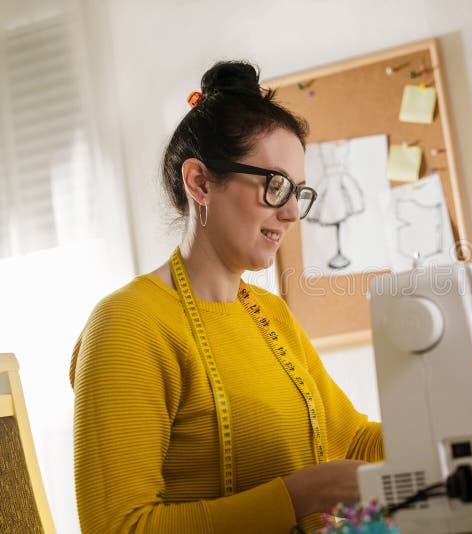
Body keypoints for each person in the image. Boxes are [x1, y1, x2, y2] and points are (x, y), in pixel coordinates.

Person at [69, 60, 383, 534]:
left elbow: (354, 444)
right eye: (275, 186)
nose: (294, 212)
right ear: (200, 182)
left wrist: (464, 429)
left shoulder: (269, 313)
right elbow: (118, 527)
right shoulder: (128, 324)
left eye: (299, 191)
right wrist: (298, 497)